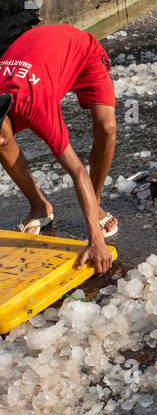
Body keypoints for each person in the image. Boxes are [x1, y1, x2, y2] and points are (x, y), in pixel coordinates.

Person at [0, 24, 117, 272]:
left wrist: (95, 240)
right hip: (42, 58)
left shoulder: (35, 106)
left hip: (81, 51)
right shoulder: (4, 115)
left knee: (107, 127)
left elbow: (76, 170)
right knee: (3, 145)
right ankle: (39, 206)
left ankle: (94, 204)